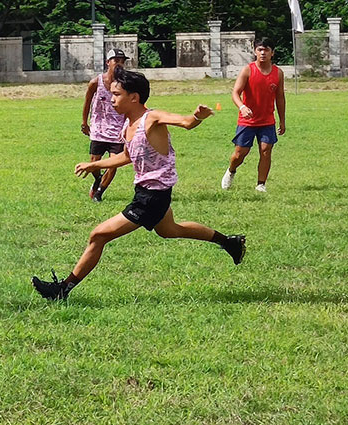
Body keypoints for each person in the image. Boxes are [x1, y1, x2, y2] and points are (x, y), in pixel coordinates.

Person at [32, 68, 246, 301]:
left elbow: (185, 122)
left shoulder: (151, 118)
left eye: (117, 94)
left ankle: (62, 289)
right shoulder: (127, 125)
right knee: (171, 230)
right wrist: (94, 165)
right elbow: (126, 156)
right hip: (148, 192)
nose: (111, 99)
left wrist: (197, 116)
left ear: (134, 97)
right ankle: (229, 242)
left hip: (152, 197)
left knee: (98, 235)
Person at [221, 37, 287, 193]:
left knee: (266, 150)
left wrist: (282, 121)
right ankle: (231, 171)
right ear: (255, 51)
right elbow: (235, 93)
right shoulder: (248, 70)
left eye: (266, 50)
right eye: (260, 49)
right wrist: (242, 107)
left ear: (272, 53)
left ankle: (261, 184)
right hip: (247, 121)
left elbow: (280, 98)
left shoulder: (278, 73)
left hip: (267, 120)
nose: (263, 53)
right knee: (240, 153)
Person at [81, 48, 128, 202]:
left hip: (118, 129)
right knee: (94, 162)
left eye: (122, 61)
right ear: (108, 62)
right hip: (98, 128)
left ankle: (99, 193)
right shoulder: (96, 82)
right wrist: (84, 122)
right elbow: (87, 102)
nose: (120, 64)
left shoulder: (125, 84)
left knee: (113, 163)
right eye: (116, 60)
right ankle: (97, 179)